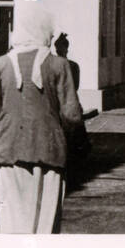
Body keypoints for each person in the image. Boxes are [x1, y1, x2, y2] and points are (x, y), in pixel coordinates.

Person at [0, 3, 84, 234]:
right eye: (50, 31)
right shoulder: (59, 65)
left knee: (12, 220)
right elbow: (71, 114)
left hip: (8, 150)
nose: (52, 36)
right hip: (49, 151)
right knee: (44, 220)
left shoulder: (1, 64)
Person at [54, 32, 91, 164]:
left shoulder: (71, 66)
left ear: (65, 48)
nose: (59, 50)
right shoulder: (68, 65)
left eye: (61, 47)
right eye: (58, 47)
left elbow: (75, 85)